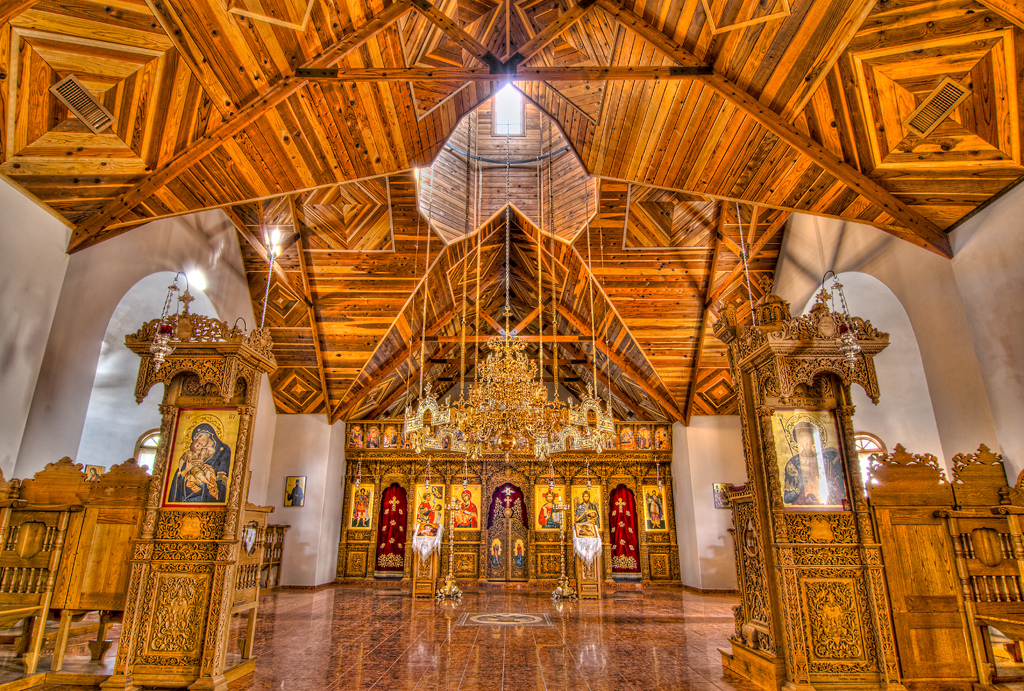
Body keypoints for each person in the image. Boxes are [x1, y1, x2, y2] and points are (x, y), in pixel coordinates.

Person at [782, 420, 846, 506]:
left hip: (827, 505)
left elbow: (838, 488)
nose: (805, 440)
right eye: (801, 436)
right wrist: (799, 486)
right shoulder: (793, 463)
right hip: (803, 509)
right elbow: (787, 498)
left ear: (813, 438)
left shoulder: (826, 460)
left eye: (808, 436)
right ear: (797, 440)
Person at [168, 423, 230, 503]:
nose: (198, 441)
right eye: (195, 439)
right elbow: (180, 474)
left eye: (200, 436)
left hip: (207, 498)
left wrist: (203, 482)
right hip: (188, 496)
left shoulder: (222, 450)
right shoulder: (192, 453)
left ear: (209, 434)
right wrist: (185, 470)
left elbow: (222, 477)